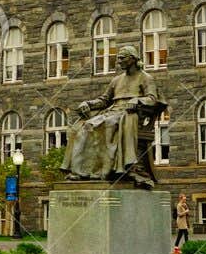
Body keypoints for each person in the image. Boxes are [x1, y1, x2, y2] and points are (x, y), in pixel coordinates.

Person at [62, 44, 168, 188]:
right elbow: (104, 100)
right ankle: (82, 171)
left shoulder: (145, 78)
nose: (118, 61)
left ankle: (106, 170)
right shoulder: (116, 80)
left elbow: (152, 99)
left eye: (121, 58)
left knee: (108, 124)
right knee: (83, 126)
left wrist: (137, 100)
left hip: (130, 114)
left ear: (132, 59)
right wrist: (88, 103)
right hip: (112, 111)